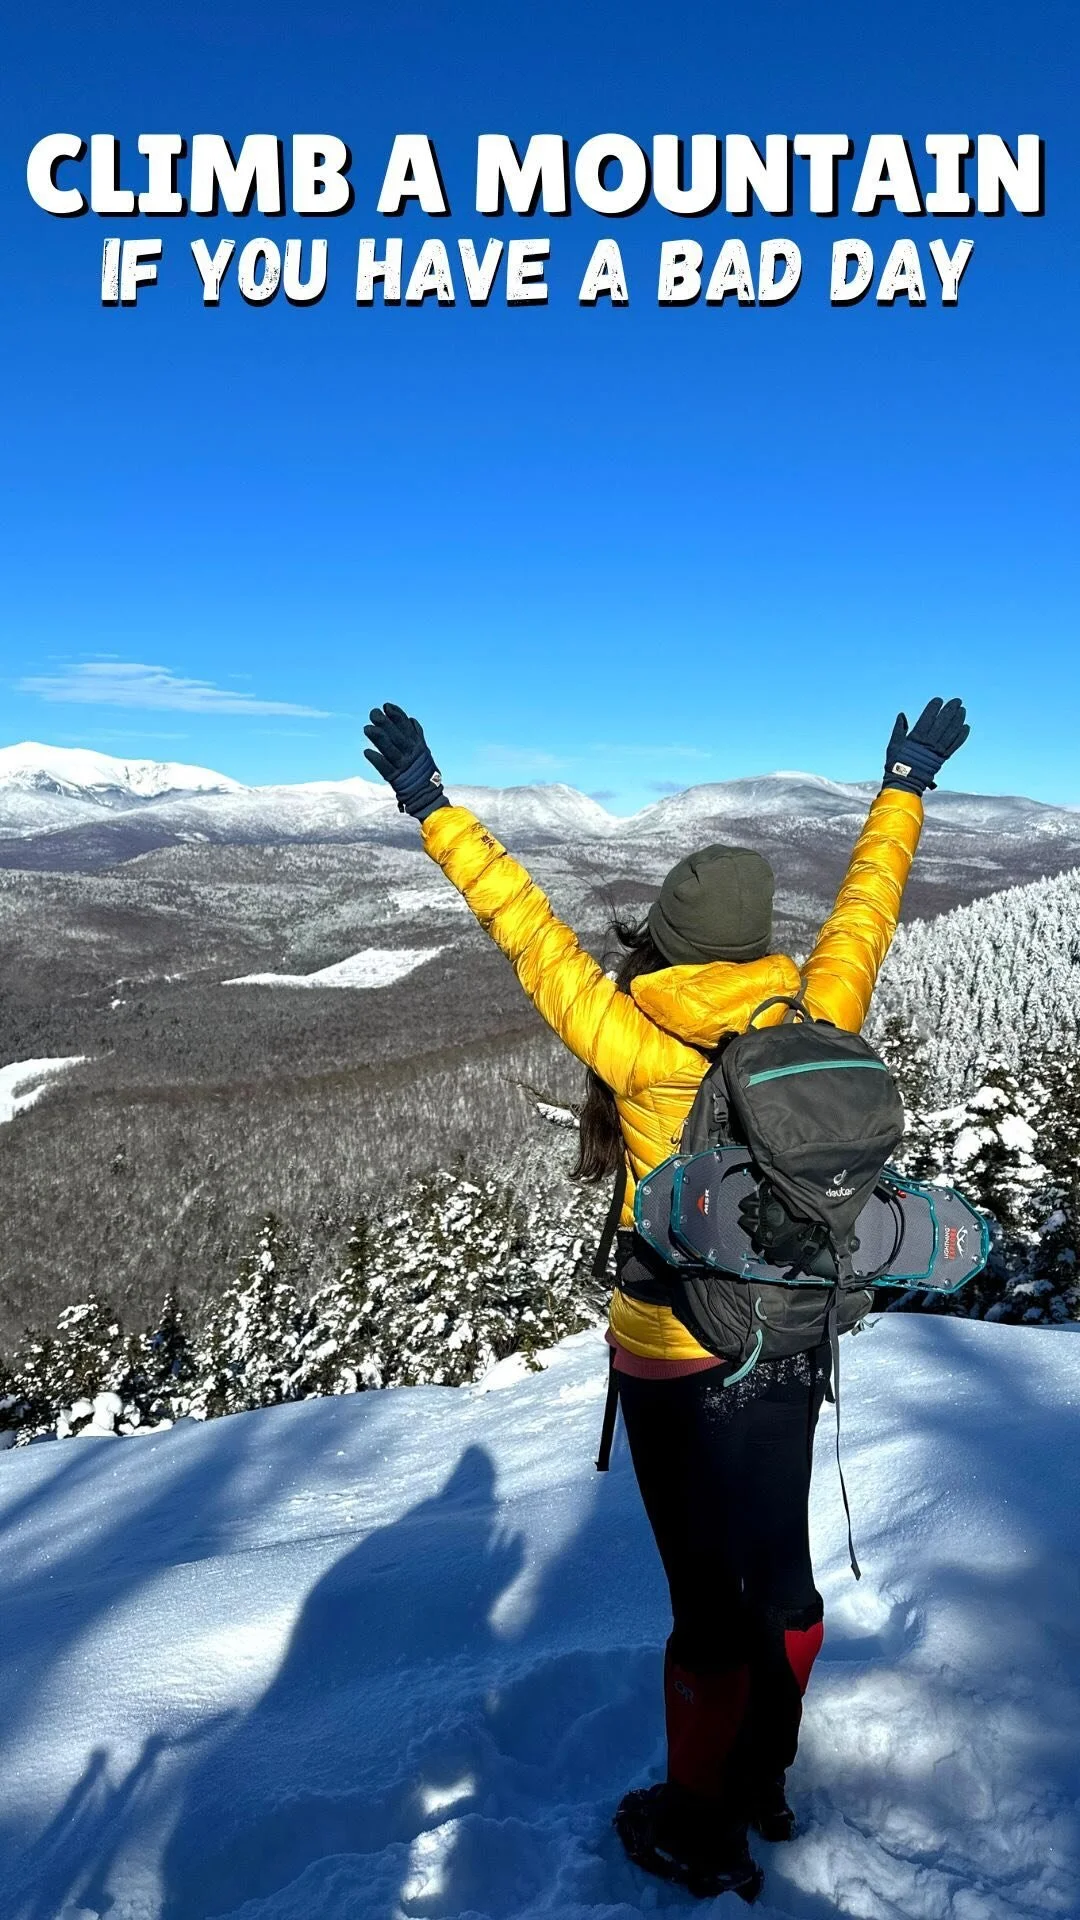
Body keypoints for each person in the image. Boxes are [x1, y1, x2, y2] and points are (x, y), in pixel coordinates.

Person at [362, 696, 970, 1901]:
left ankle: (698, 1819)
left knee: (705, 1604)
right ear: (757, 944)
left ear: (673, 943)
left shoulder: (634, 1040)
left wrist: (429, 800)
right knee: (781, 1581)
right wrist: (905, 783)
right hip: (789, 1340)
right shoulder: (818, 1010)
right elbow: (868, 905)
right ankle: (764, 1778)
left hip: (670, 1355)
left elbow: (522, 926)